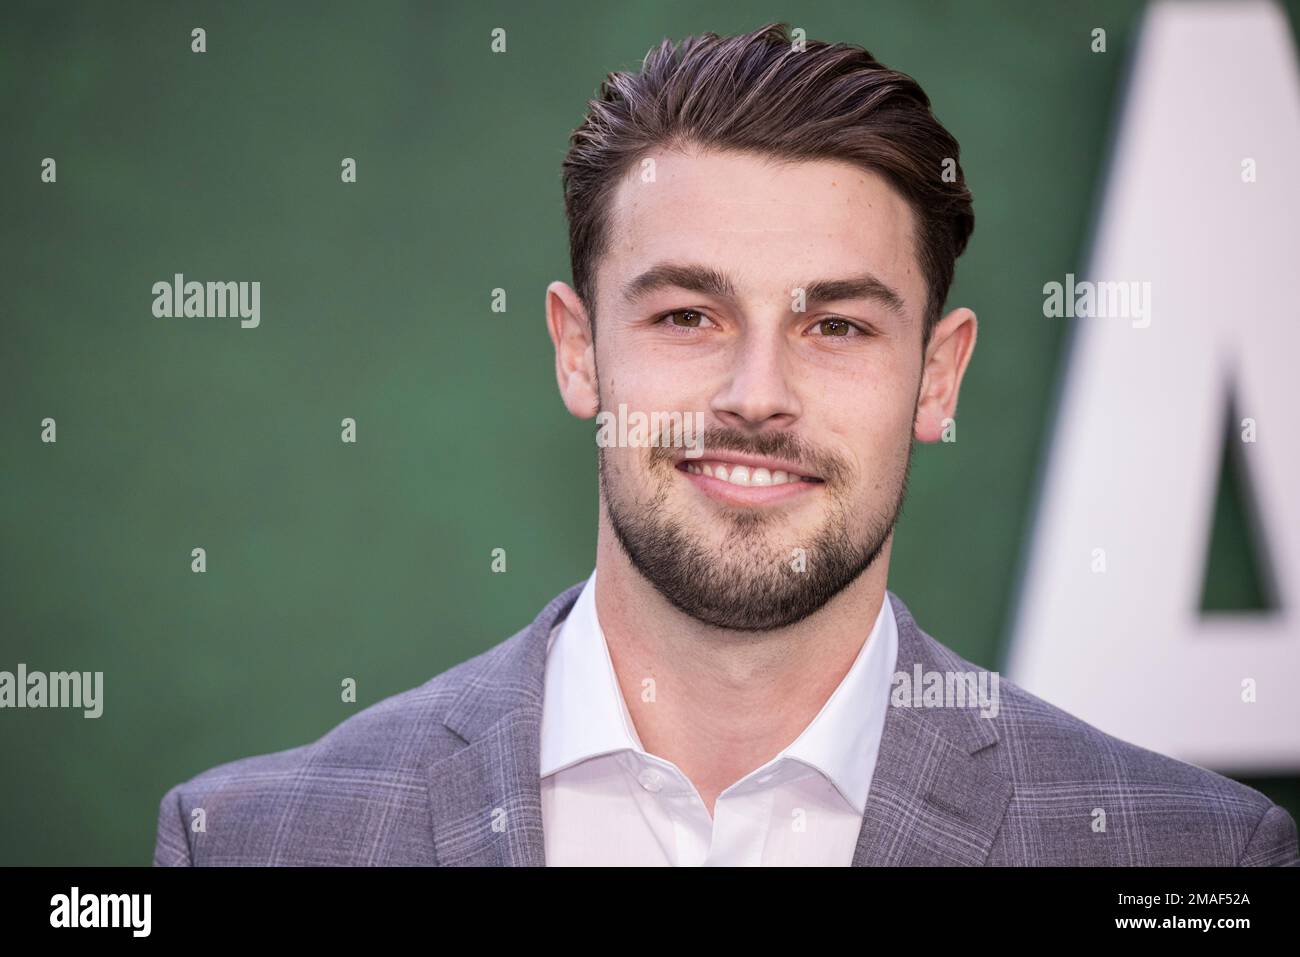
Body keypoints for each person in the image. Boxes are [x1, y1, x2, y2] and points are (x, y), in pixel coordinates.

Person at [154, 22, 1299, 866]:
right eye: (688, 316)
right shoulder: (252, 843)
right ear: (578, 351)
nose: (759, 395)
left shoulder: (1195, 859)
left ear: (937, 377)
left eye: (835, 325)